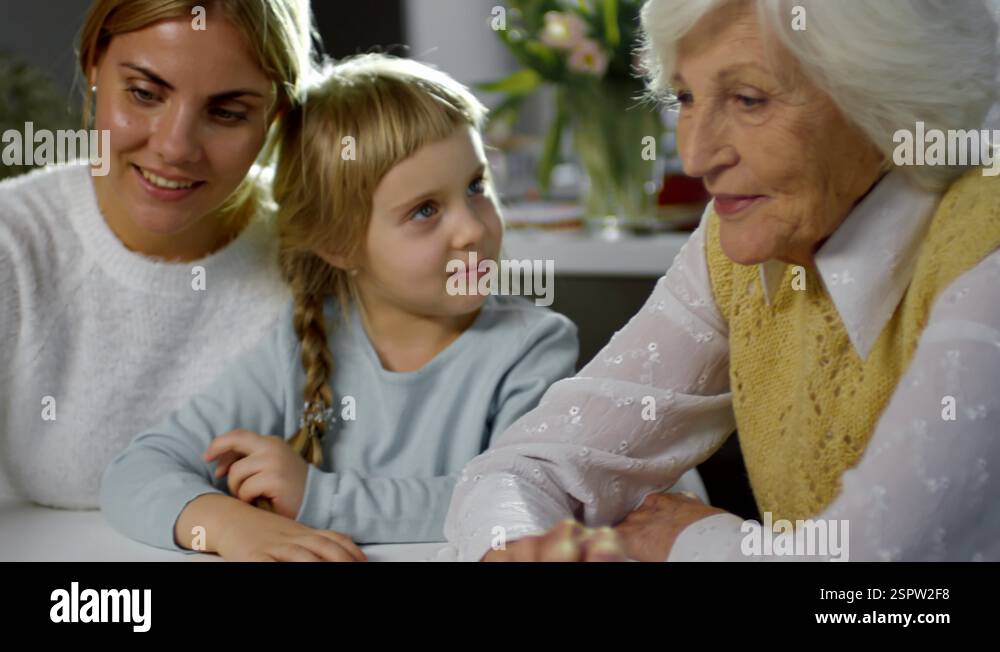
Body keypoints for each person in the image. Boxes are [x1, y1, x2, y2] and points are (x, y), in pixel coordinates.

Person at [444, 0, 1000, 562]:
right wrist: (518, 550)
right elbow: (529, 466)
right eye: (685, 97)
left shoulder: (986, 242)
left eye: (748, 100)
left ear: (887, 99)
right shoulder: (745, 237)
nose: (694, 156)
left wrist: (689, 539)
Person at [100, 54, 582, 561]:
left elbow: (522, 497)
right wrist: (227, 525)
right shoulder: (302, 345)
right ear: (339, 246)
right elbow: (137, 470)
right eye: (425, 210)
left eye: (475, 187)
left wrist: (319, 498)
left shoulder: (533, 347)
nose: (473, 229)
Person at [0, 0, 315, 508]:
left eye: (228, 112)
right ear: (93, 64)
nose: (175, 147)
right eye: (145, 93)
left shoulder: (325, 254)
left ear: (275, 115)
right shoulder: (13, 245)